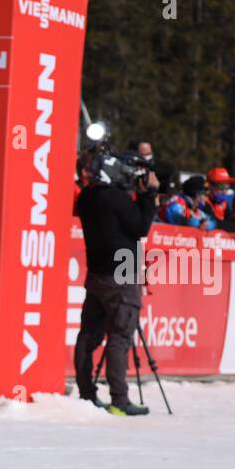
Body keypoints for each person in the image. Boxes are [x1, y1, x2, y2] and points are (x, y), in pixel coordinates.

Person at [73, 149, 161, 416]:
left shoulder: (87, 197)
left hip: (97, 274)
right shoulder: (115, 198)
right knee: (120, 336)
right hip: (121, 276)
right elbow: (140, 227)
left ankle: (86, 392)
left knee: (88, 334)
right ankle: (119, 399)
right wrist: (148, 196)